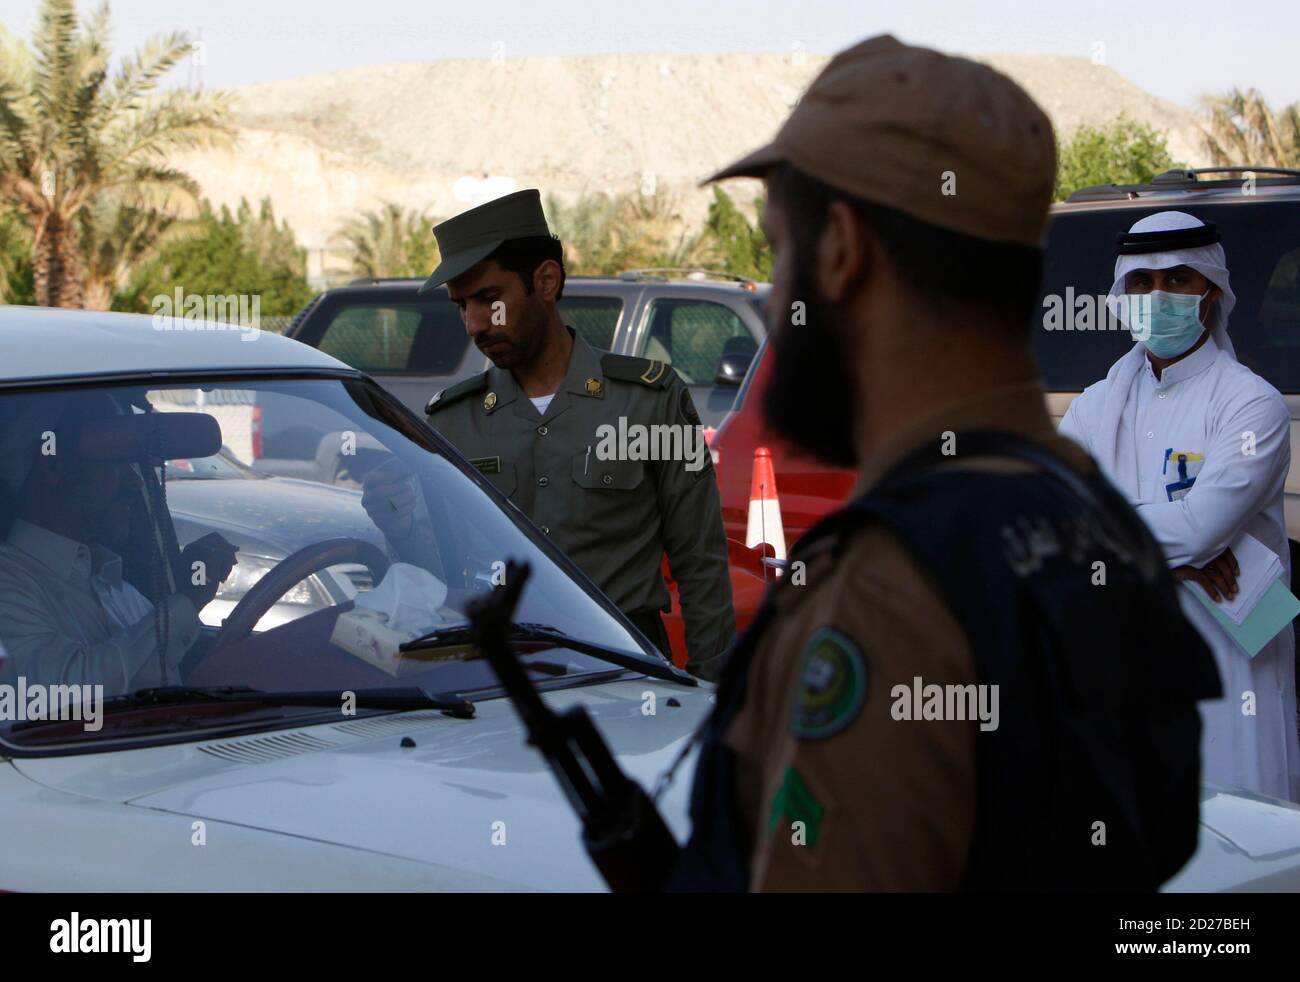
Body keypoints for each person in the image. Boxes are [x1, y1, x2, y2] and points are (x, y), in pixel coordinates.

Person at [665, 34, 1220, 891]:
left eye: (781, 253)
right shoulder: (1100, 523)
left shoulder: (887, 589)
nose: (776, 298)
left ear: (842, 248)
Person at [361, 189, 735, 680]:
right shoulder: (454, 420)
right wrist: (398, 523)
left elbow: (701, 562)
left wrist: (711, 693)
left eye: (489, 299)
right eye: (461, 306)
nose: (474, 323)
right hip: (496, 679)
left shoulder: (650, 399)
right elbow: (439, 577)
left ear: (546, 281)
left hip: (626, 676)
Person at [1059, 210, 1299, 802]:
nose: (1158, 296)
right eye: (1142, 283)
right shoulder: (1093, 406)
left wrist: (1119, 538)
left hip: (1230, 660)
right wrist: (1175, 559)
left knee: (1246, 840)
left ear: (1211, 292)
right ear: (1121, 296)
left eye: (1178, 280)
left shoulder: (1251, 405)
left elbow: (1199, 530)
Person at [0, 392, 237, 694]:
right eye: (117, 462)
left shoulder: (123, 592)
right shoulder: (9, 586)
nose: (135, 481)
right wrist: (187, 601)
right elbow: (64, 696)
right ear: (53, 467)